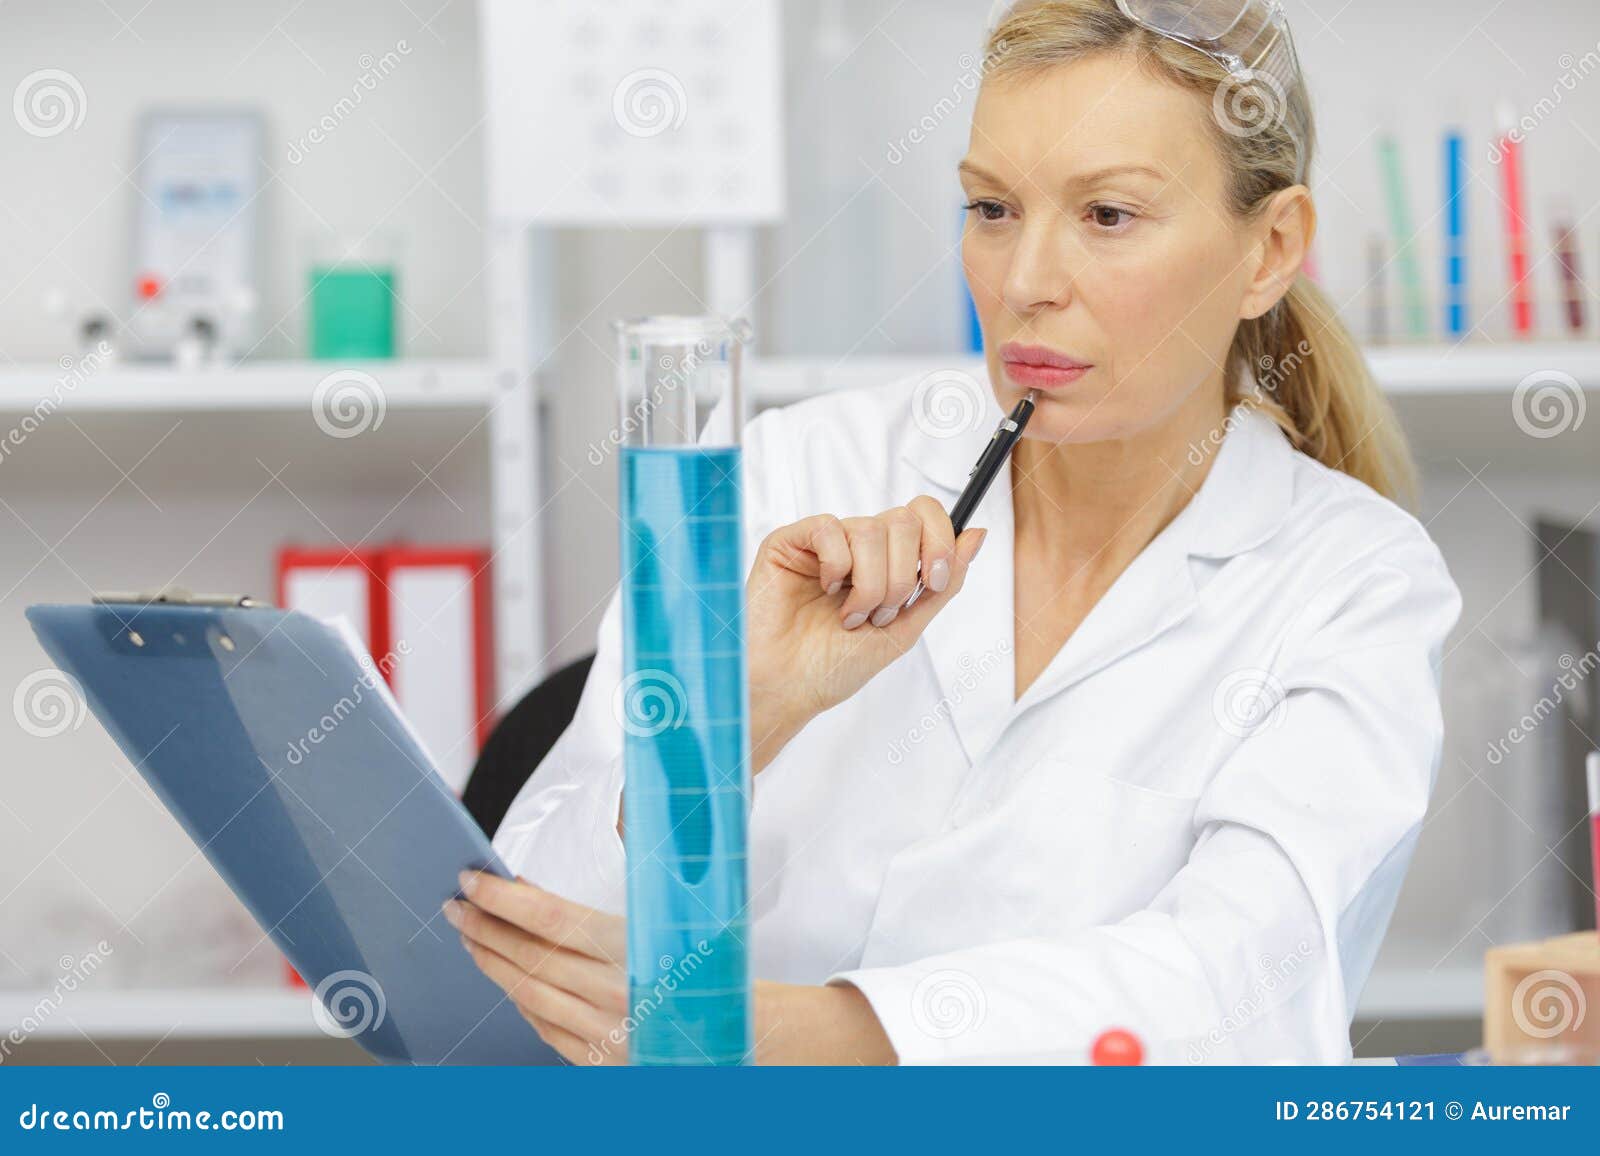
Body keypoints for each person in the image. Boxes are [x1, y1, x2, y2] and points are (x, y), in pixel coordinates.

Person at [444, 0, 1462, 1064]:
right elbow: (523, 953)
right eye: (990, 208)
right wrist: (731, 725)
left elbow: (1242, 989)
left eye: (1108, 215)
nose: (1023, 284)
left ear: (1271, 247)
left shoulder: (1354, 583)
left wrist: (783, 1034)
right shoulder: (796, 473)